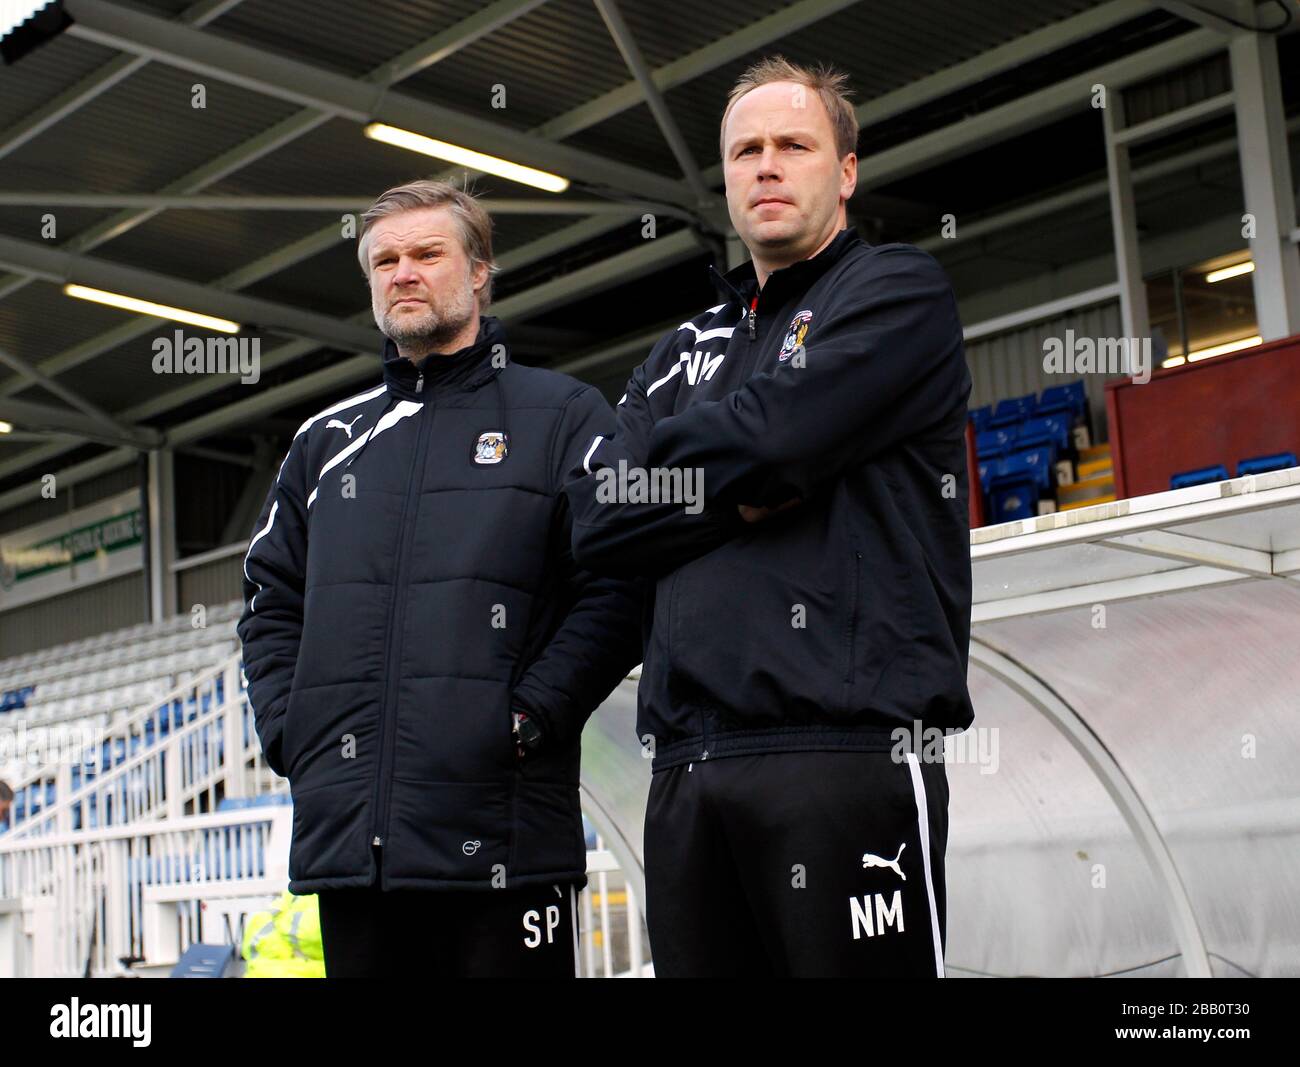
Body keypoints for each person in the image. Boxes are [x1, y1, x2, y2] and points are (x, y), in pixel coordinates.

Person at [565, 56, 973, 977]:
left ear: (847, 171)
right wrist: (743, 487)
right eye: (746, 149)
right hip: (685, 770)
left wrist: (713, 472)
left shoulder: (895, 293)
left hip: (842, 754)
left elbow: (781, 436)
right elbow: (595, 516)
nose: (767, 164)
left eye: (794, 144)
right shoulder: (677, 353)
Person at [237, 179, 642, 978]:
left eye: (427, 253)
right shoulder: (325, 443)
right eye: (384, 259)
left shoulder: (563, 416)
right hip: (353, 851)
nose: (403, 272)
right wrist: (294, 729)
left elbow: (620, 582)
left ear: (480, 269)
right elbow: (267, 600)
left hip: (504, 838)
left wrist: (528, 716)